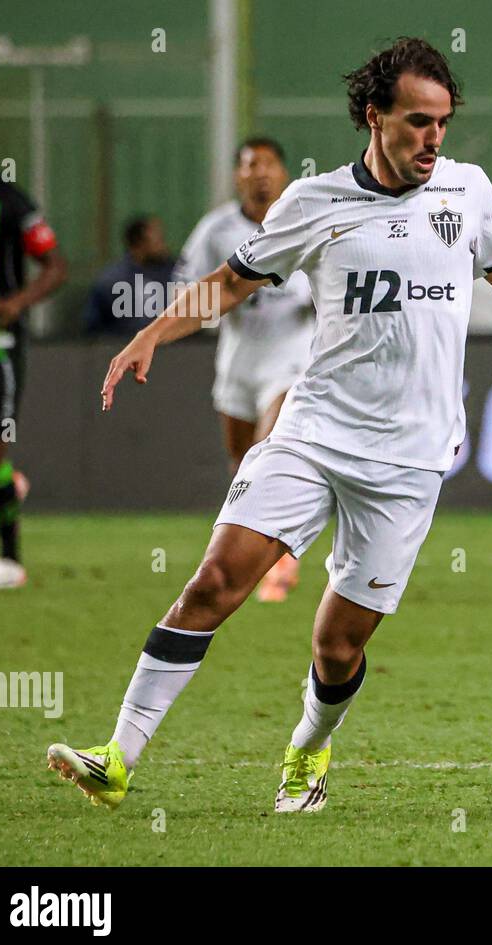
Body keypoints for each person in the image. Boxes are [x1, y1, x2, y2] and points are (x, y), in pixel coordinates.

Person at [45, 37, 492, 814]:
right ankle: (117, 757)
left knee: (337, 645)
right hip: (314, 433)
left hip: (408, 461)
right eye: (417, 122)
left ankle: (307, 749)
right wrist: (151, 334)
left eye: (443, 123)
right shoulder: (312, 203)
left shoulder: (466, 194)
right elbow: (231, 283)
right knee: (213, 584)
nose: (434, 139)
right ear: (375, 117)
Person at [173, 137, 314, 602]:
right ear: (238, 175)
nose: (261, 173)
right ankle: (255, 553)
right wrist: (221, 299)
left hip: (290, 360)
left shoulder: (305, 222)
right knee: (242, 469)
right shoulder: (217, 229)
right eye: (251, 165)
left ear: (284, 173)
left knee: (267, 455)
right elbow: (185, 288)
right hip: (237, 360)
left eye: (270, 164)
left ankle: (280, 563)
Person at [0, 100, 67, 589]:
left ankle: (10, 560)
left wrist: (15, 302)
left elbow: (55, 266)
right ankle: (3, 488)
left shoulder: (10, 202)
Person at [82, 215, 174, 338]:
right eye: (159, 241)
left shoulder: (174, 274)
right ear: (139, 243)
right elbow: (93, 326)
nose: (164, 246)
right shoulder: (111, 280)